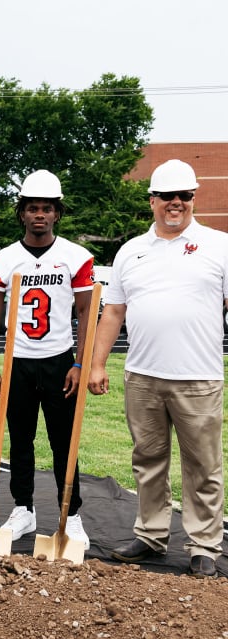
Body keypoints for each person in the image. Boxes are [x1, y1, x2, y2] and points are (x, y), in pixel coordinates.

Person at [88, 159, 228, 578]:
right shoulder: (131, 251)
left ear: (192, 198)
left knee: (203, 465)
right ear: (153, 200)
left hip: (199, 376)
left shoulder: (219, 245)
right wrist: (96, 364)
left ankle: (204, 544)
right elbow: (112, 312)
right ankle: (150, 535)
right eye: (167, 196)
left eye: (184, 196)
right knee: (147, 460)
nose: (176, 203)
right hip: (143, 375)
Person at [0, 170, 93, 548]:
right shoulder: (4, 260)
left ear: (57, 213)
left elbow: (84, 313)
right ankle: (24, 508)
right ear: (22, 213)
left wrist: (80, 362)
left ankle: (70, 512)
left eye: (46, 208)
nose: (39, 215)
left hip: (60, 359)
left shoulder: (75, 257)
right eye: (33, 208)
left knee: (65, 440)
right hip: (19, 362)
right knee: (20, 439)